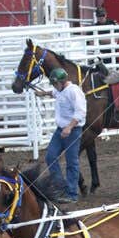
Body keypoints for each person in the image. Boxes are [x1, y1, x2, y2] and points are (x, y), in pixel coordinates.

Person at [34, 67, 86, 201]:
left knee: (72, 162)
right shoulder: (59, 90)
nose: (54, 86)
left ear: (63, 82)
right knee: (50, 157)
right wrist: (44, 93)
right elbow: (54, 93)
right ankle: (61, 186)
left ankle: (72, 194)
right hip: (61, 130)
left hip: (72, 131)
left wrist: (69, 127)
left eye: (55, 84)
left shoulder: (74, 92)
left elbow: (80, 112)